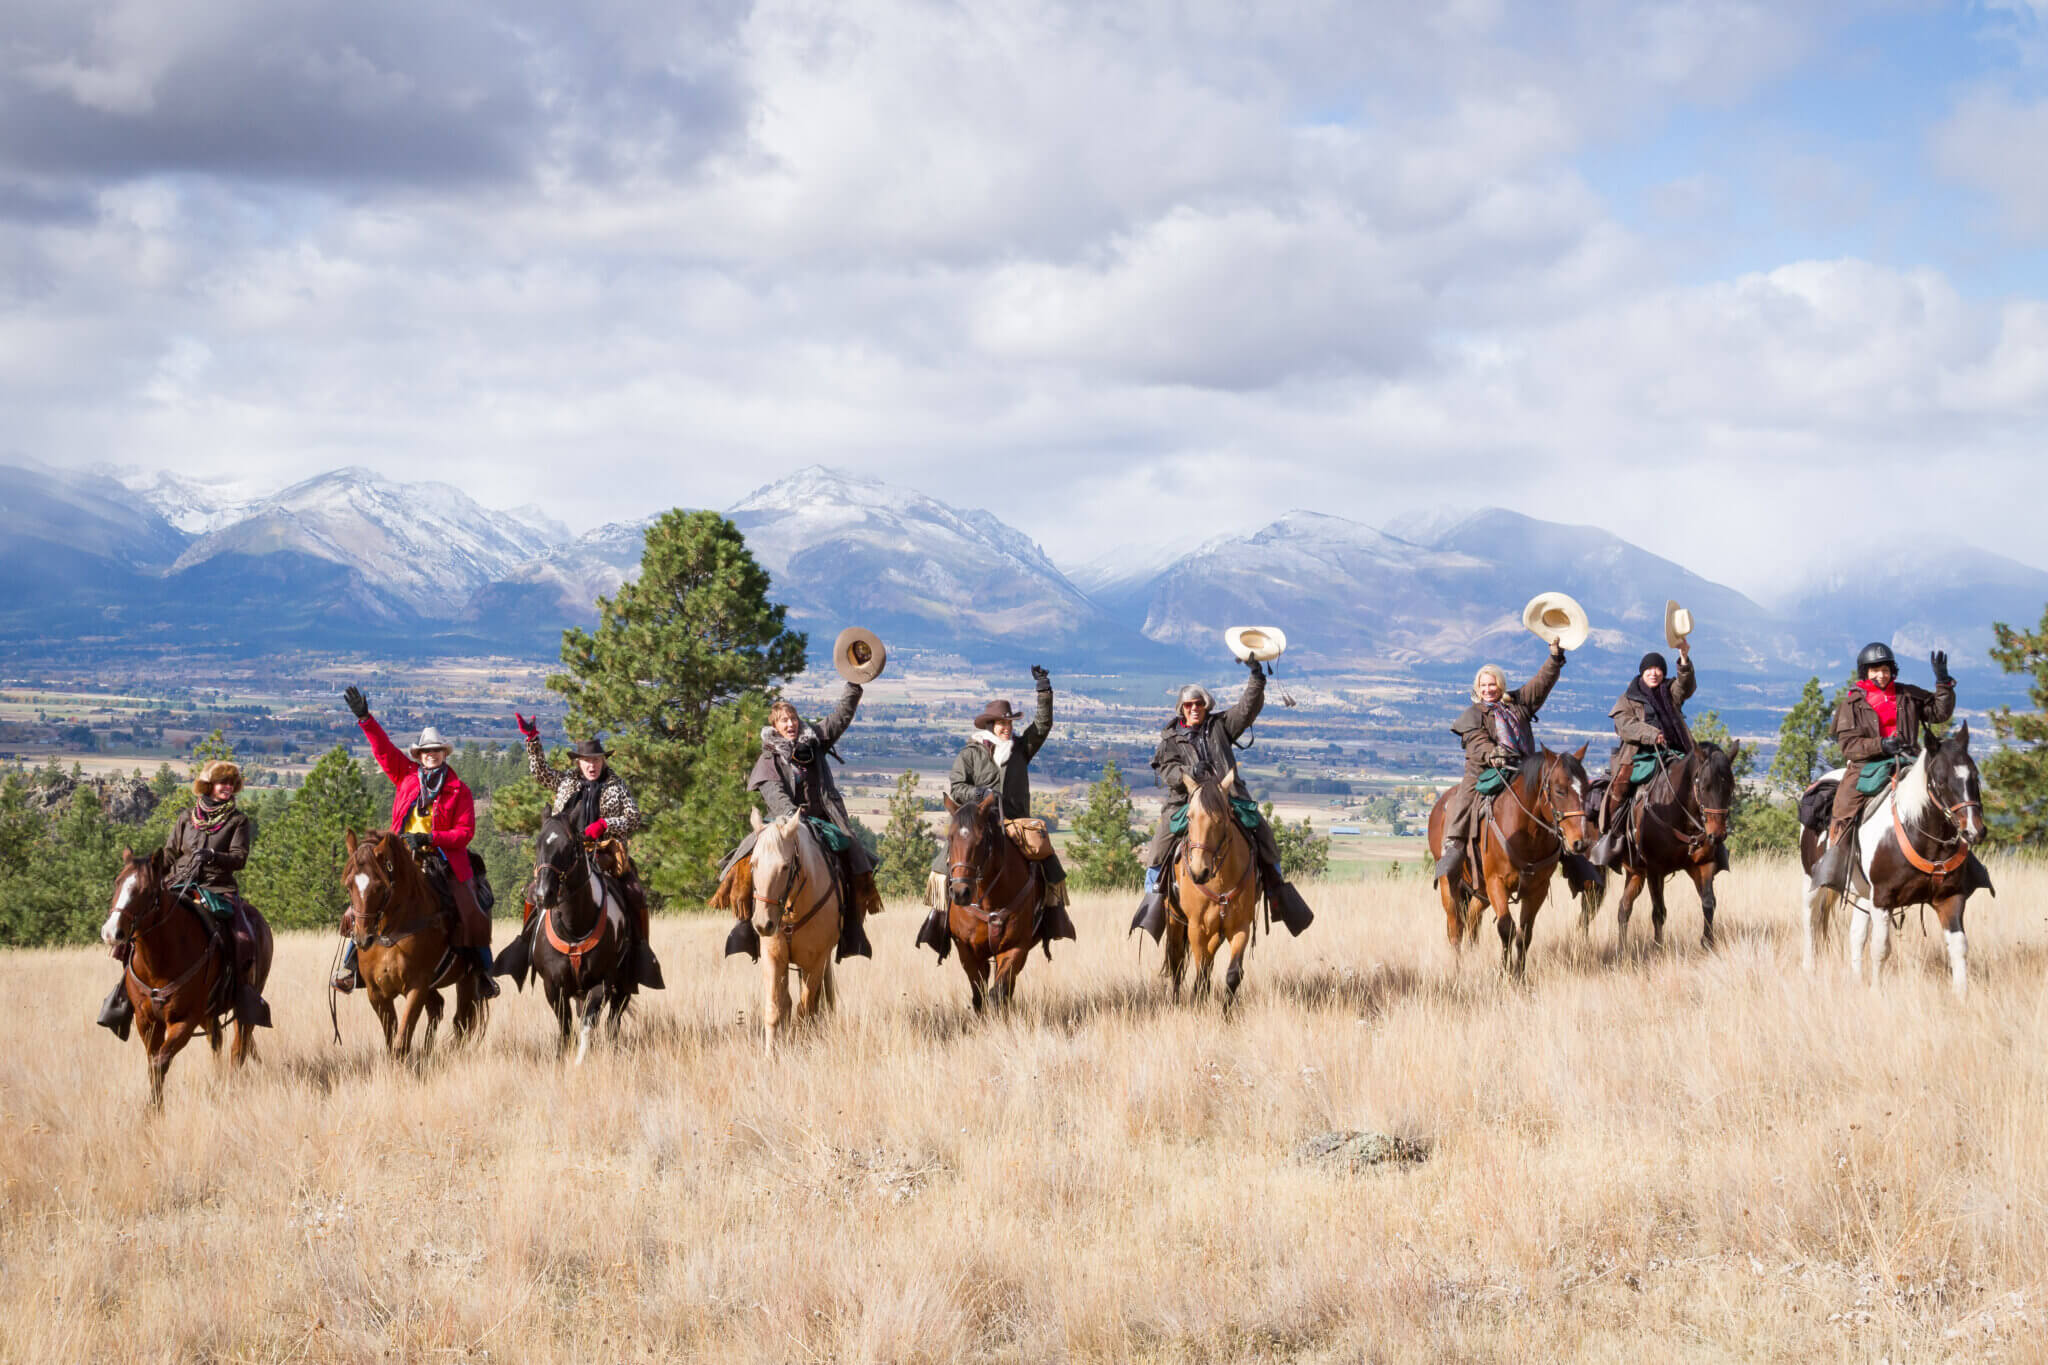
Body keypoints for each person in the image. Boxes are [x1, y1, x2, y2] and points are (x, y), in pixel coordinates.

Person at [1130, 657, 1314, 937]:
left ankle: (1277, 891)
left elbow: (1247, 709)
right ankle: (1153, 900)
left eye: (1199, 704)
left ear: (1206, 706)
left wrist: (1256, 676)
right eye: (1189, 705)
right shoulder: (1170, 740)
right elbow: (1167, 772)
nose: (1194, 709)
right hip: (1186, 803)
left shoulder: (1220, 726)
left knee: (1264, 833)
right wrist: (1189, 772)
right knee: (1159, 847)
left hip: (1229, 797)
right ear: (1181, 709)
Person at [332, 686, 496, 997]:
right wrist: (365, 719)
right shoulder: (406, 775)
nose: (430, 755)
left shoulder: (458, 789)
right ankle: (351, 965)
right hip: (400, 855)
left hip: (442, 858)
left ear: (444, 754)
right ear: (418, 755)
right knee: (365, 898)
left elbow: (465, 832)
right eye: (425, 751)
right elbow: (383, 750)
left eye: (436, 751)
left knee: (470, 906)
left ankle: (482, 972)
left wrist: (431, 837)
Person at [97, 760, 272, 1037]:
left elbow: (239, 858)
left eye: (231, 782)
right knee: (136, 937)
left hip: (217, 889)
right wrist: (150, 871)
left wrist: (215, 856)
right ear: (208, 786)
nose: (227, 787)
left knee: (244, 939)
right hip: (178, 886)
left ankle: (243, 996)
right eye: (221, 782)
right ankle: (123, 998)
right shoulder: (186, 818)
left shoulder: (238, 821)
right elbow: (169, 854)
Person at [917, 665, 1077, 954]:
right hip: (978, 821)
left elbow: (1042, 725)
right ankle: (937, 922)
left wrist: (1044, 690)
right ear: (990, 725)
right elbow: (957, 786)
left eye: (1010, 723)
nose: (1007, 727)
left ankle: (1054, 917)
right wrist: (979, 794)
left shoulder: (1021, 748)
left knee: (1049, 860)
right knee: (944, 868)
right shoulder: (970, 753)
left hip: (1016, 821)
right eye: (1001, 723)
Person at [498, 720, 662, 989]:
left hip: (605, 854)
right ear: (579, 762)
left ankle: (640, 953)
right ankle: (525, 948)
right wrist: (532, 740)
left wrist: (606, 825)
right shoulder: (565, 781)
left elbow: (634, 817)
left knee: (634, 892)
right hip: (567, 856)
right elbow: (540, 773)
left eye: (596, 760)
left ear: (602, 761)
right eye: (587, 760)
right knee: (533, 892)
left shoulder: (616, 786)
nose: (592, 765)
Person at [1812, 643, 1956, 890]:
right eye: (1875, 670)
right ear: (1865, 672)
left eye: (1886, 669)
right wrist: (1881, 745)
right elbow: (1849, 746)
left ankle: (1963, 865)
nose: (1881, 675)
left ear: (1893, 670)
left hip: (1909, 761)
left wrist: (1943, 683)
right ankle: (1834, 866)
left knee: (1949, 797)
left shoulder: (1908, 695)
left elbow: (1939, 713)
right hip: (1866, 766)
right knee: (1843, 807)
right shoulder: (1852, 704)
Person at [1434, 641, 1567, 886]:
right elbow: (1476, 742)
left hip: (1524, 769)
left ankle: (1570, 853)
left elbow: (1542, 682)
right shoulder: (1471, 716)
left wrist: (1555, 657)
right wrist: (1492, 753)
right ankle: (1454, 847)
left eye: (1492, 684)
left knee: (1557, 799)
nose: (1488, 689)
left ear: (1501, 684)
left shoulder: (1518, 703)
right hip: (1485, 770)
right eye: (1483, 685)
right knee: (1463, 800)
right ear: (1477, 688)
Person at [1588, 642, 1697, 868]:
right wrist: (1651, 734)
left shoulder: (1670, 691)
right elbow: (1624, 725)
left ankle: (1708, 836)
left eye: (1658, 669)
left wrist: (1684, 659)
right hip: (1638, 755)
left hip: (1675, 752)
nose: (1654, 673)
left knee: (1705, 783)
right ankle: (1611, 837)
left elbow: (1686, 687)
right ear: (1642, 671)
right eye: (1649, 669)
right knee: (1620, 787)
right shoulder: (1628, 698)